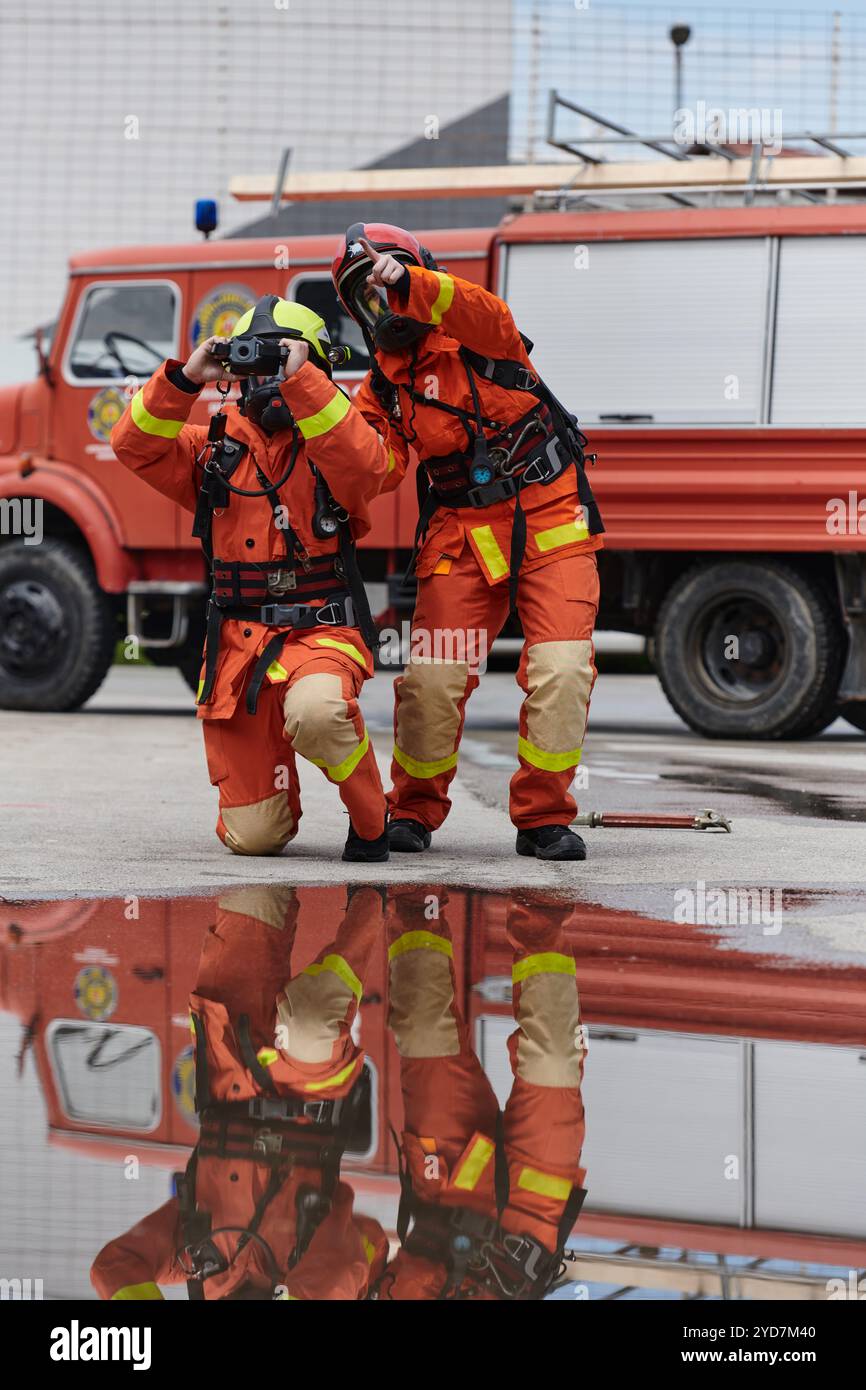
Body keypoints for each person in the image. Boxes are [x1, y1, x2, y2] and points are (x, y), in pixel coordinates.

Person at [332, 224, 604, 861]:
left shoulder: (481, 332)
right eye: (366, 295)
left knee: (561, 670)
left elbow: (485, 310)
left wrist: (412, 284)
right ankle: (413, 812)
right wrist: (310, 397)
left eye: (388, 281)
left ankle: (542, 818)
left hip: (551, 520)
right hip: (459, 534)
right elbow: (376, 470)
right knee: (431, 680)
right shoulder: (380, 391)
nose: (383, 303)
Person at [110, 295, 391, 862]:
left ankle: (371, 820)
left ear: (315, 365)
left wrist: (303, 380)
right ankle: (277, 798)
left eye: (277, 361)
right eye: (253, 364)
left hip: (321, 634)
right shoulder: (211, 449)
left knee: (317, 712)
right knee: (254, 839)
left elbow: (369, 467)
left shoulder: (332, 442)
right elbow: (132, 445)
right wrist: (186, 378)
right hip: (239, 651)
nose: (265, 378)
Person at [90, 885, 389, 1300]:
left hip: (229, 1061)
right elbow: (346, 1262)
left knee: (255, 873)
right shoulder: (310, 1285)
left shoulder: (193, 1262)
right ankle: (371, 899)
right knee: (310, 1021)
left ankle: (270, 827)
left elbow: (113, 1266)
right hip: (308, 1092)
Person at [374, 887, 587, 1300]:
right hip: (530, 1215)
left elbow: (393, 1270)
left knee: (422, 1028)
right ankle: (540, 908)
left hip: (447, 1194)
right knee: (554, 1055)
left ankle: (417, 903)